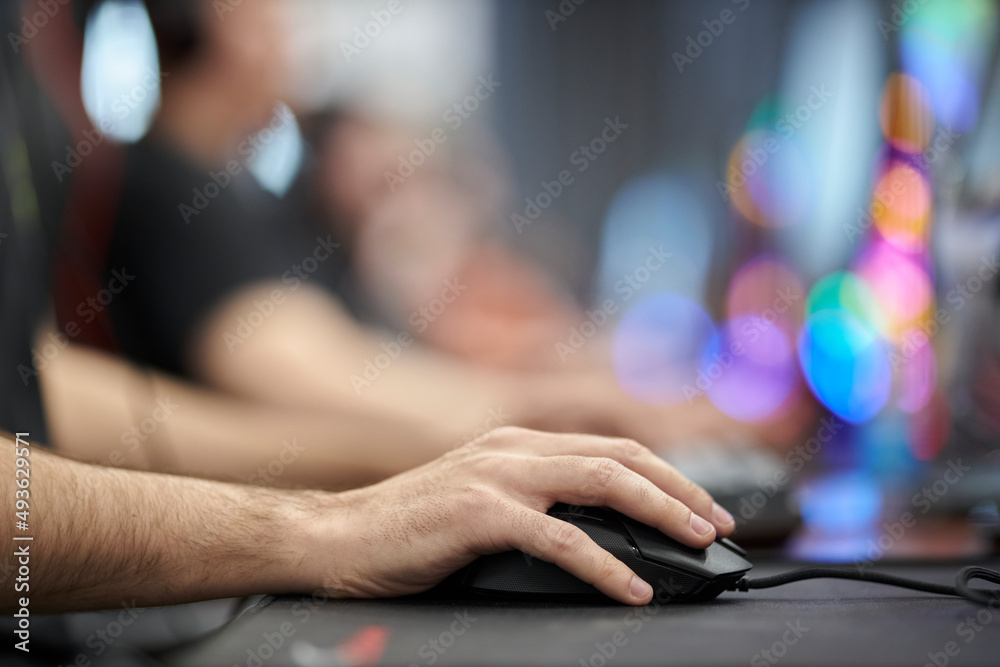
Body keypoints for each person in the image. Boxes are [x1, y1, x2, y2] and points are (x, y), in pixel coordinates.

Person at [0, 0, 733, 614]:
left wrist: (490, 433)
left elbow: (35, 389)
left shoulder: (255, 195)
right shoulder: (169, 189)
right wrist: (351, 511)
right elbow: (302, 370)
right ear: (225, 21)